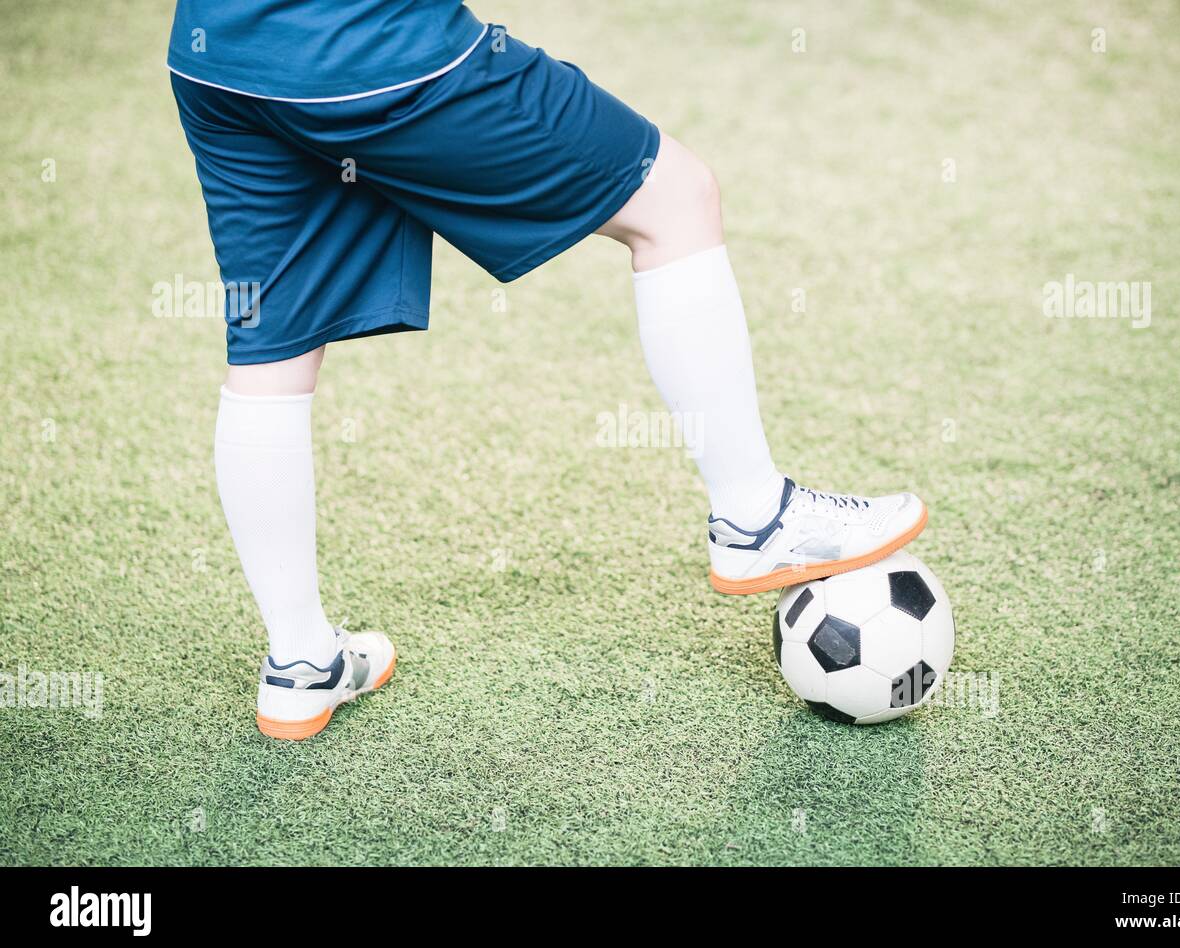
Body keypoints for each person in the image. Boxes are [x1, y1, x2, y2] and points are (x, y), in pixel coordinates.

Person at [167, 1, 927, 739]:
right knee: (675, 199)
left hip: (220, 54)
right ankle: (756, 514)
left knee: (273, 346)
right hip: (372, 45)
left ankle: (301, 660)